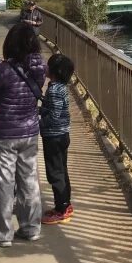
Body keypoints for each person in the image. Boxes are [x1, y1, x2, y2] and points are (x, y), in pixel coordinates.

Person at [0, 23, 46, 247]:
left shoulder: (4, 70)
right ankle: (31, 228)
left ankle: (3, 234)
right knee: (29, 180)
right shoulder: (39, 68)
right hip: (29, 131)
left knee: (5, 183)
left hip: (5, 133)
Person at [40, 54, 74, 224]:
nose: (45, 67)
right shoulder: (60, 87)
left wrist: (37, 122)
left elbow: (53, 116)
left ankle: (61, 209)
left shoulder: (54, 90)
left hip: (54, 136)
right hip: (62, 135)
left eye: (48, 65)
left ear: (54, 71)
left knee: (55, 173)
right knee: (61, 170)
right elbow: (53, 109)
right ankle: (65, 204)